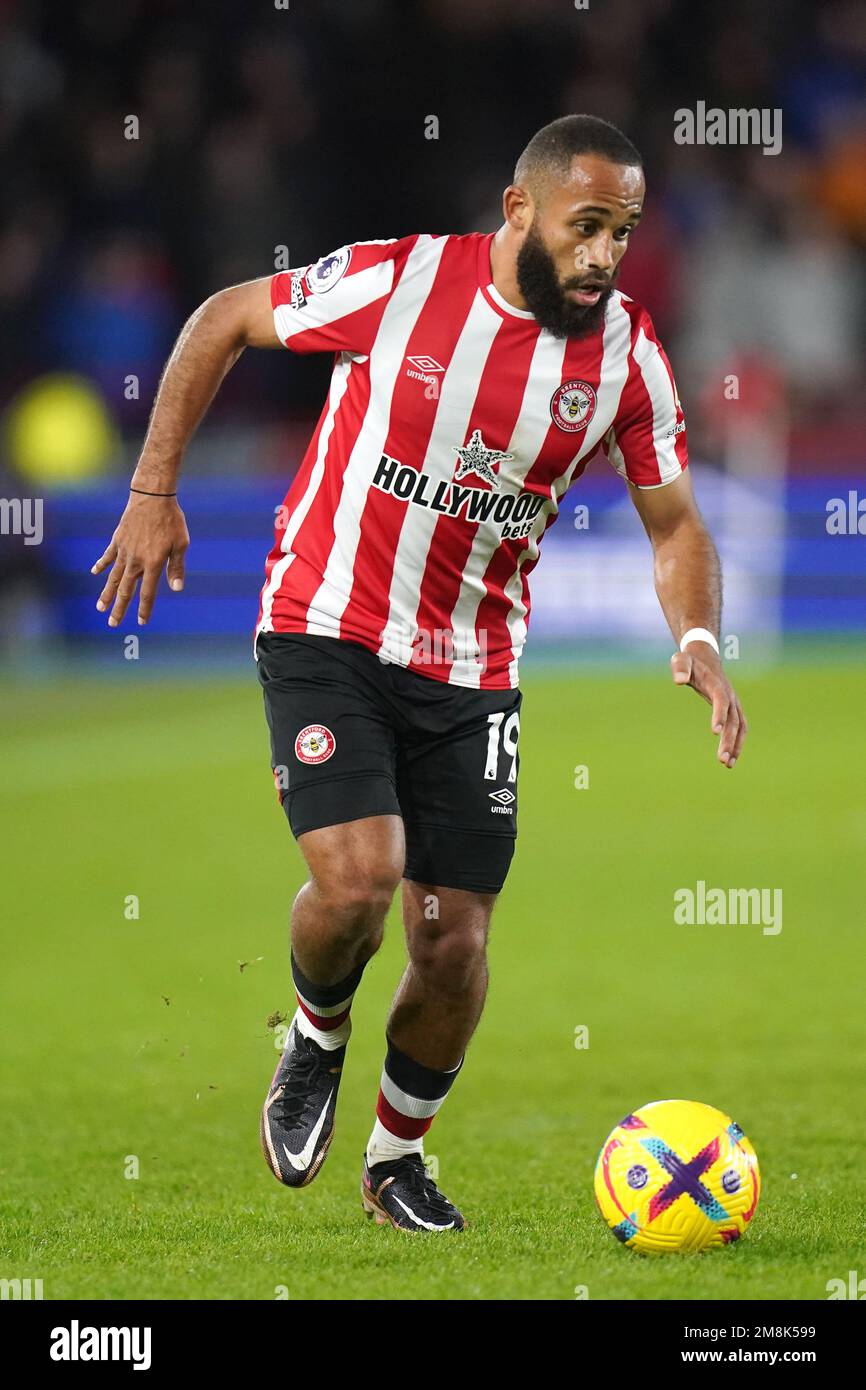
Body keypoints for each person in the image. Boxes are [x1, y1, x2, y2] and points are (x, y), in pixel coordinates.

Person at [92, 115, 747, 1233]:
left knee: (450, 938)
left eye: (621, 233)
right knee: (358, 881)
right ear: (519, 210)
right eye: (585, 226)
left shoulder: (627, 354)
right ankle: (314, 1031)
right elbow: (222, 319)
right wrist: (153, 489)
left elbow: (674, 523)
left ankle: (396, 1159)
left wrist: (695, 638)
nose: (602, 254)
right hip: (326, 623)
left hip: (475, 666)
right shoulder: (399, 284)